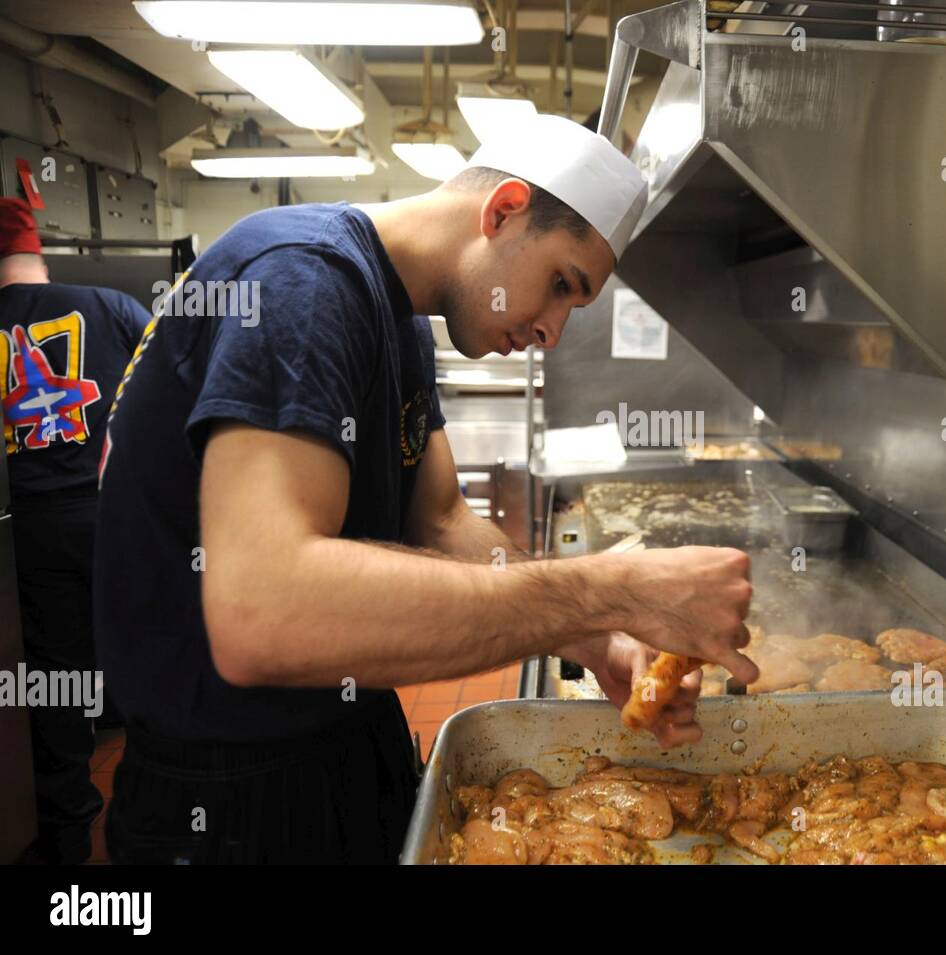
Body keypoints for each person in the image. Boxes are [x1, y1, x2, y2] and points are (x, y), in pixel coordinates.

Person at [95, 114, 760, 864]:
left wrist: (593, 637)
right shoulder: (300, 283)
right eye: (560, 285)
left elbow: (442, 521)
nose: (552, 333)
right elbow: (263, 611)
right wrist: (609, 589)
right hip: (233, 802)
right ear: (503, 210)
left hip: (339, 744)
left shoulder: (398, 313)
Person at [0, 197, 151, 864]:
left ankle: (66, 843)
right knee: (149, 667)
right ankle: (162, 816)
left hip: (24, 539)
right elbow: (173, 390)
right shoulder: (111, 306)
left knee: (56, 689)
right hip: (116, 523)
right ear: (39, 251)